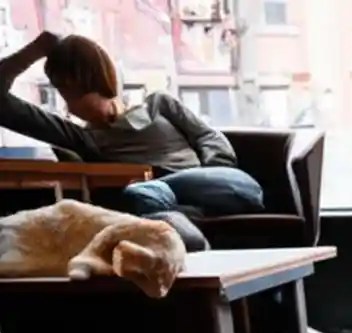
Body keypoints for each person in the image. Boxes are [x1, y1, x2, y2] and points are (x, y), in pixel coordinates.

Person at [0, 32, 265, 223]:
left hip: (226, 183)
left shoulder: (160, 104)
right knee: (143, 198)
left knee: (145, 195)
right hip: (156, 201)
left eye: (65, 89)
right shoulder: (83, 137)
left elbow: (209, 137)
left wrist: (211, 171)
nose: (68, 103)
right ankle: (188, 224)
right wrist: (33, 51)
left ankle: (185, 216)